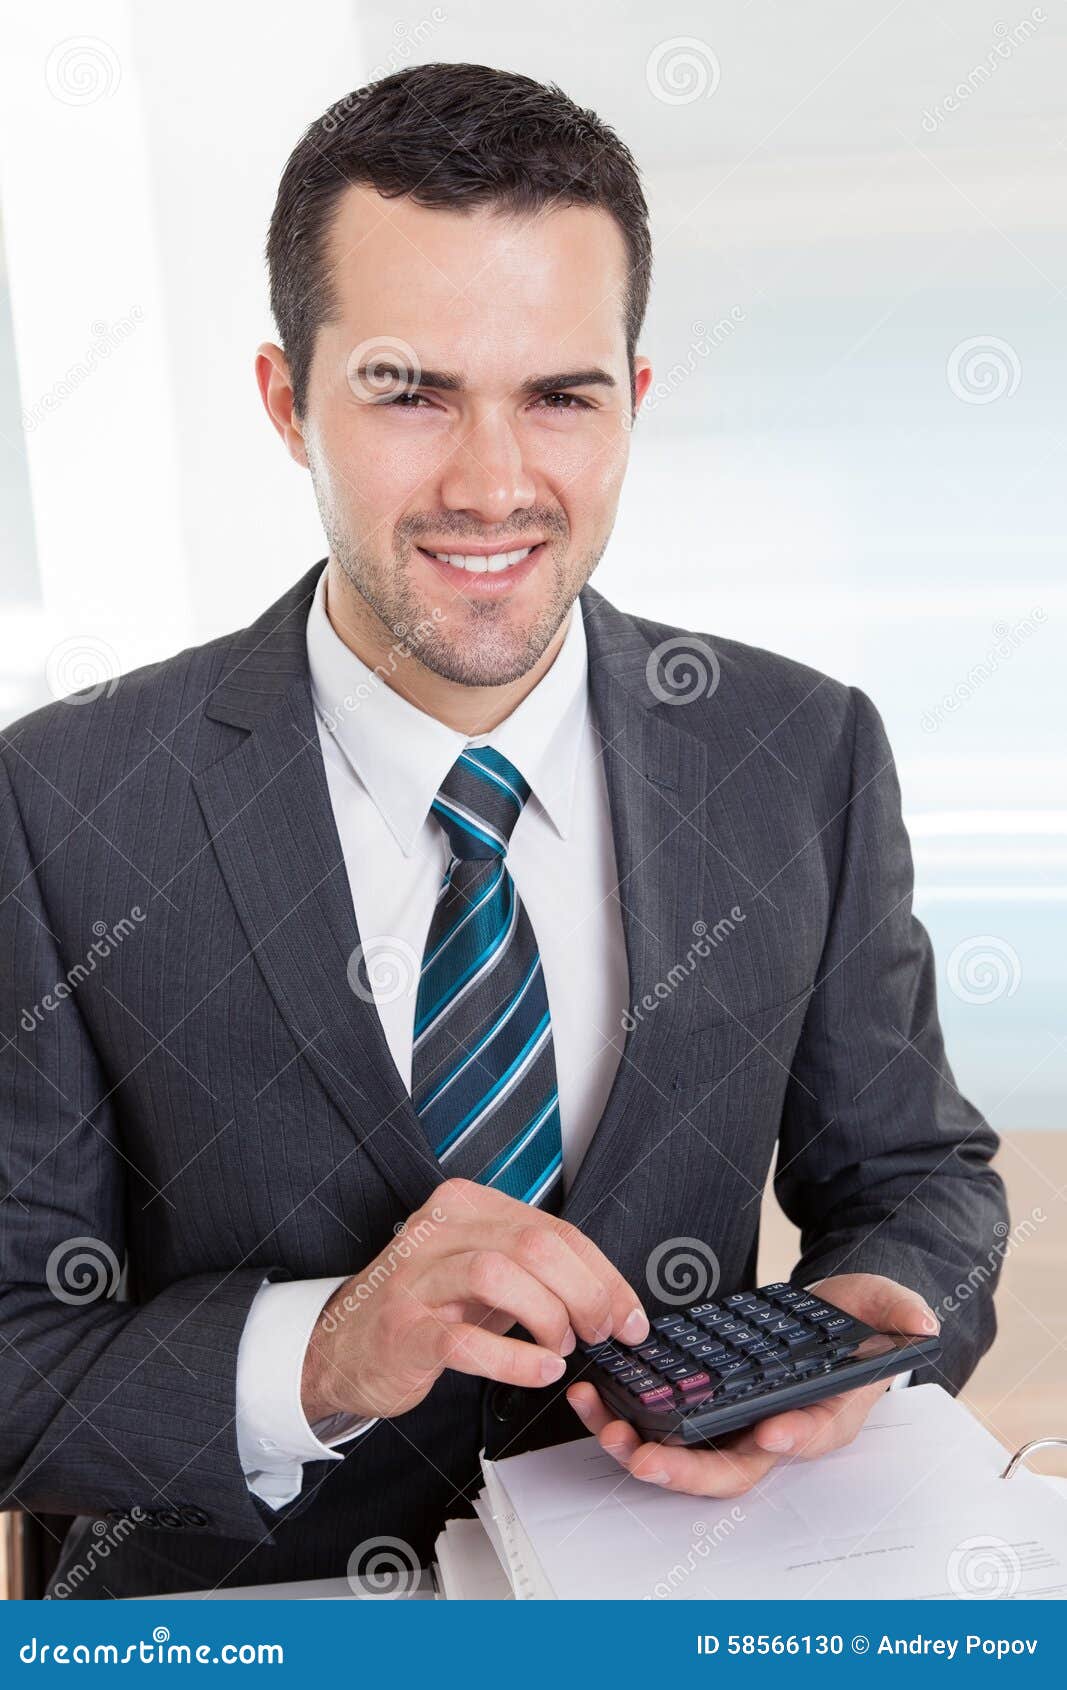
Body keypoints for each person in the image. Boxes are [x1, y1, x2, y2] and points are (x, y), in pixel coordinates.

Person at [0, 62, 1006, 1599]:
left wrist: (864, 1325)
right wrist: (324, 1350)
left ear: (633, 403)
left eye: (558, 393)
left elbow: (922, 1176)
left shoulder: (801, 753)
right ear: (287, 402)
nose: (492, 483)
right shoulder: (58, 803)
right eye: (408, 390)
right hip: (245, 1614)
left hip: (686, 1587)